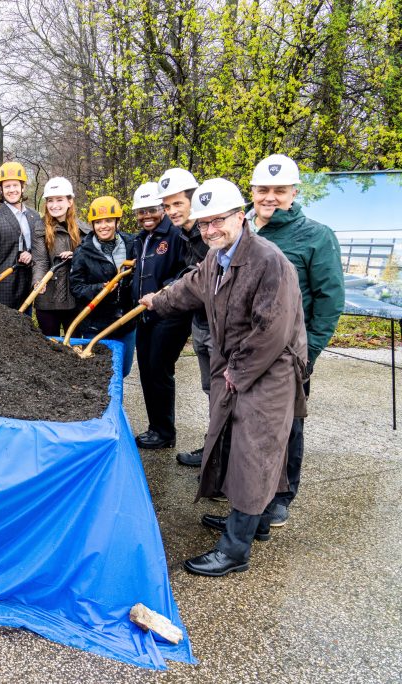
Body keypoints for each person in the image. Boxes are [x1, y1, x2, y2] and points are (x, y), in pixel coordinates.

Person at [141, 178, 308, 576]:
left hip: (269, 372)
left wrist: (235, 372)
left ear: (240, 216)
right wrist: (156, 301)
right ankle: (255, 522)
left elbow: (272, 331)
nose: (210, 230)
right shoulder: (215, 259)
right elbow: (188, 289)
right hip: (238, 369)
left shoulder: (269, 261)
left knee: (255, 454)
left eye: (218, 221)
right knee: (237, 446)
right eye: (203, 224)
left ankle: (235, 550)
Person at [247, 154, 345, 527]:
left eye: (280, 190)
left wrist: (310, 352)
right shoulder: (242, 228)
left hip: (289, 353)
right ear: (252, 191)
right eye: (263, 189)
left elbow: (329, 300)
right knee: (247, 424)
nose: (270, 197)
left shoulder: (315, 236)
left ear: (294, 192)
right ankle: (248, 491)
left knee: (287, 426)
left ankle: (281, 496)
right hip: (245, 351)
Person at [131, 180, 191, 449]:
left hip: (169, 314)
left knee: (159, 369)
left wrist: (162, 293)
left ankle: (165, 432)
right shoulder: (141, 239)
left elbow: (186, 272)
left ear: (162, 209)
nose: (146, 216)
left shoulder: (175, 234)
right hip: (143, 314)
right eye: (141, 211)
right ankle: (155, 426)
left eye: (152, 209)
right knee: (146, 369)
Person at [157, 167, 210, 467]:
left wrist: (163, 297)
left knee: (223, 398)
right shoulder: (187, 235)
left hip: (220, 329)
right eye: (167, 205)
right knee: (212, 394)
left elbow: (200, 282)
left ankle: (220, 463)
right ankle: (213, 453)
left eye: (178, 203)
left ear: (193, 199)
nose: (172, 211)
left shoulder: (207, 233)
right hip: (201, 325)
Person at [69, 195, 136, 376]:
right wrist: (98, 288)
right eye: (98, 222)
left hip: (125, 322)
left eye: (108, 221)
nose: (103, 226)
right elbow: (75, 287)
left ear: (117, 221)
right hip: (95, 325)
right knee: (99, 373)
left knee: (123, 370)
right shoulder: (83, 252)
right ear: (92, 224)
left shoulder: (132, 244)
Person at [0, 162, 43, 310]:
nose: (12, 190)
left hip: (27, 289)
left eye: (15, 185)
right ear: (1, 189)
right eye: (7, 186)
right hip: (2, 291)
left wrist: (30, 255)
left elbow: (40, 250)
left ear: (23, 187)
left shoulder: (34, 216)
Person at [31, 176, 80, 335]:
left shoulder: (84, 230)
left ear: (69, 201)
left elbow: (88, 262)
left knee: (74, 347)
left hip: (74, 298)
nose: (54, 205)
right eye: (50, 200)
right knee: (49, 347)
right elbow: (40, 260)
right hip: (47, 299)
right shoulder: (39, 227)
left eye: (59, 200)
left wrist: (76, 256)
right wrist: (38, 280)